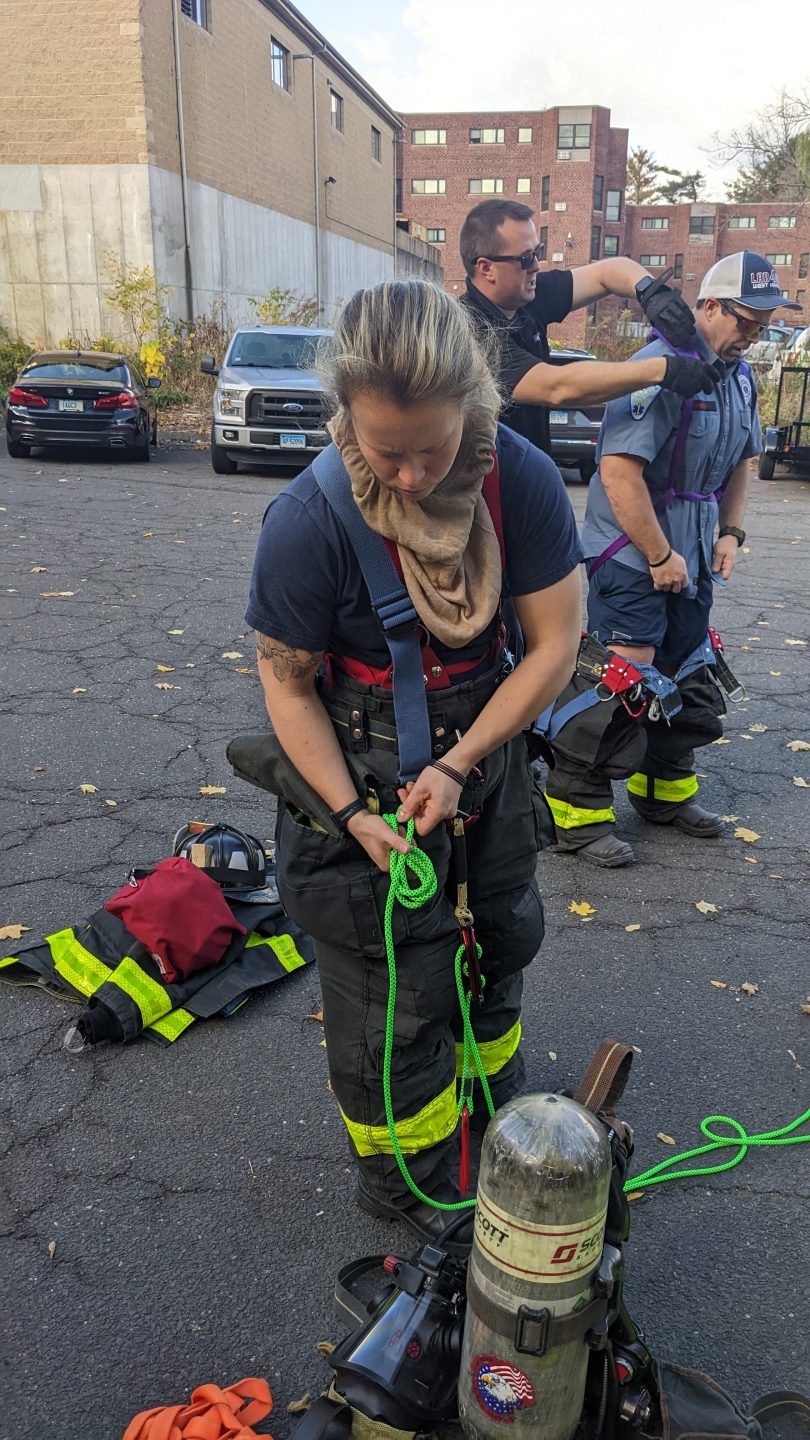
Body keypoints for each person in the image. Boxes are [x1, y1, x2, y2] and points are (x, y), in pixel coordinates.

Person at [244, 279, 583, 1246]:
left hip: (485, 761)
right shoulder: (308, 523)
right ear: (346, 416)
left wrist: (464, 763)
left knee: (498, 947)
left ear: (474, 402)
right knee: (391, 1002)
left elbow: (555, 646)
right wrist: (355, 817)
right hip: (359, 774)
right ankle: (412, 1186)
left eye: (431, 448)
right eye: (384, 450)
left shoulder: (515, 479)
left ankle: (491, 1126)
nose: (407, 474)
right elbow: (288, 688)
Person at [542, 251, 801, 867]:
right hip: (634, 558)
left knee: (687, 672)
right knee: (620, 683)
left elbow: (740, 460)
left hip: (694, 559)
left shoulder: (739, 378)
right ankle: (576, 815)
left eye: (763, 324)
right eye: (744, 319)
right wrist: (658, 554)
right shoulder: (654, 369)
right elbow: (618, 472)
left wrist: (732, 532)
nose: (753, 334)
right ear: (707, 306)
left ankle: (663, 793)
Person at [459, 199, 718, 456]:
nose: (537, 265)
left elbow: (605, 273)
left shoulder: (528, 297)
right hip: (487, 488)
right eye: (526, 258)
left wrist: (650, 291)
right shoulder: (468, 331)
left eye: (539, 251)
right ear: (486, 268)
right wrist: (663, 369)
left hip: (531, 476)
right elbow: (556, 387)